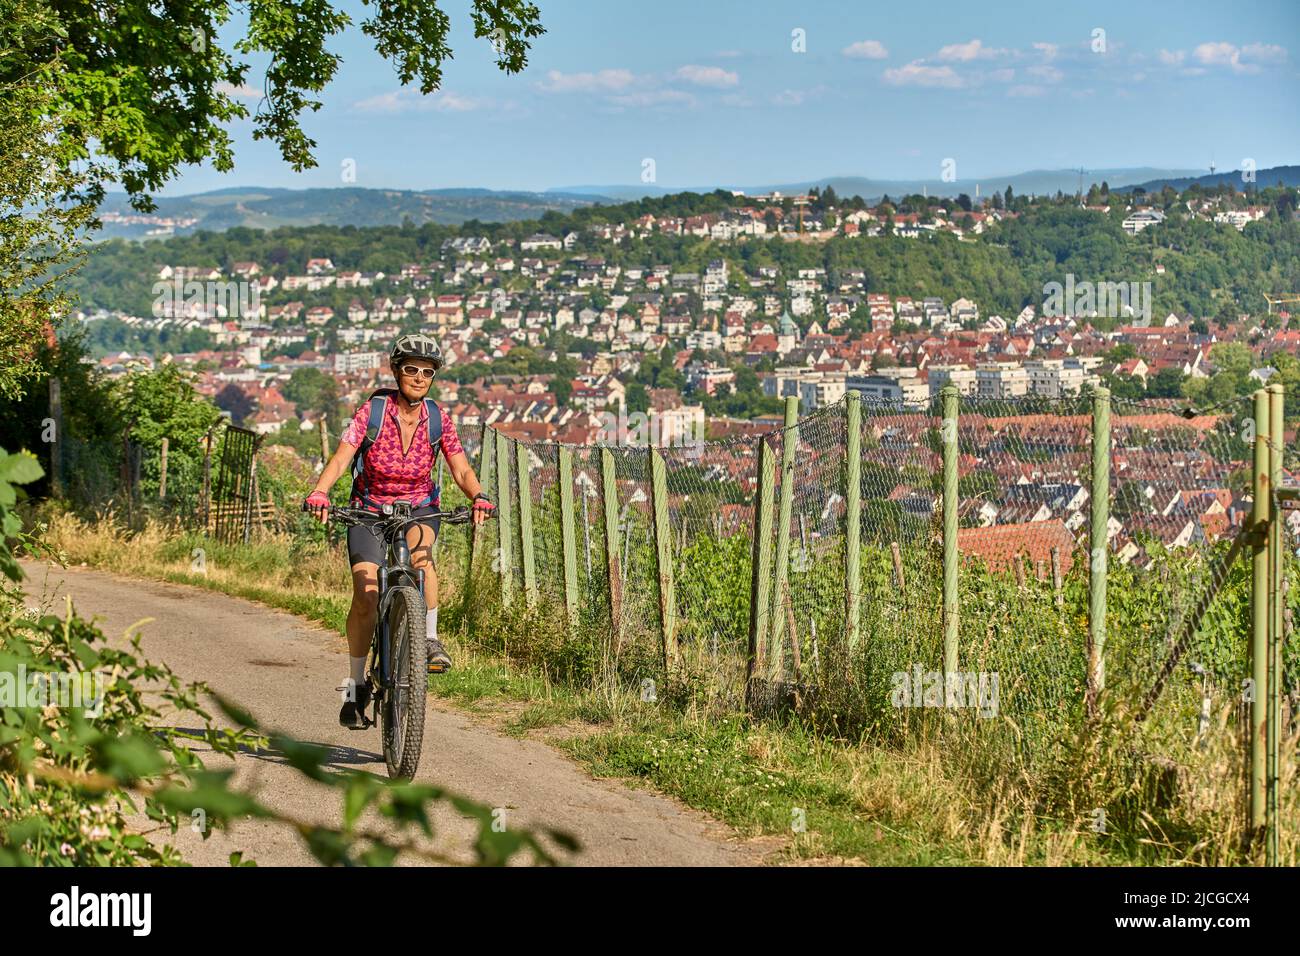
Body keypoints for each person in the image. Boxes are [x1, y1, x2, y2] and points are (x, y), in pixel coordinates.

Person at [304, 333, 494, 729]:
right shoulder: (372, 412)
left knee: (423, 563)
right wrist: (321, 491)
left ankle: (428, 639)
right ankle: (356, 688)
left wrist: (477, 495)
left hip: (418, 507)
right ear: (396, 371)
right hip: (369, 509)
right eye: (411, 369)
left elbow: (459, 466)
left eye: (428, 372)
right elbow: (342, 458)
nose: (420, 377)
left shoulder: (438, 418)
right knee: (365, 593)